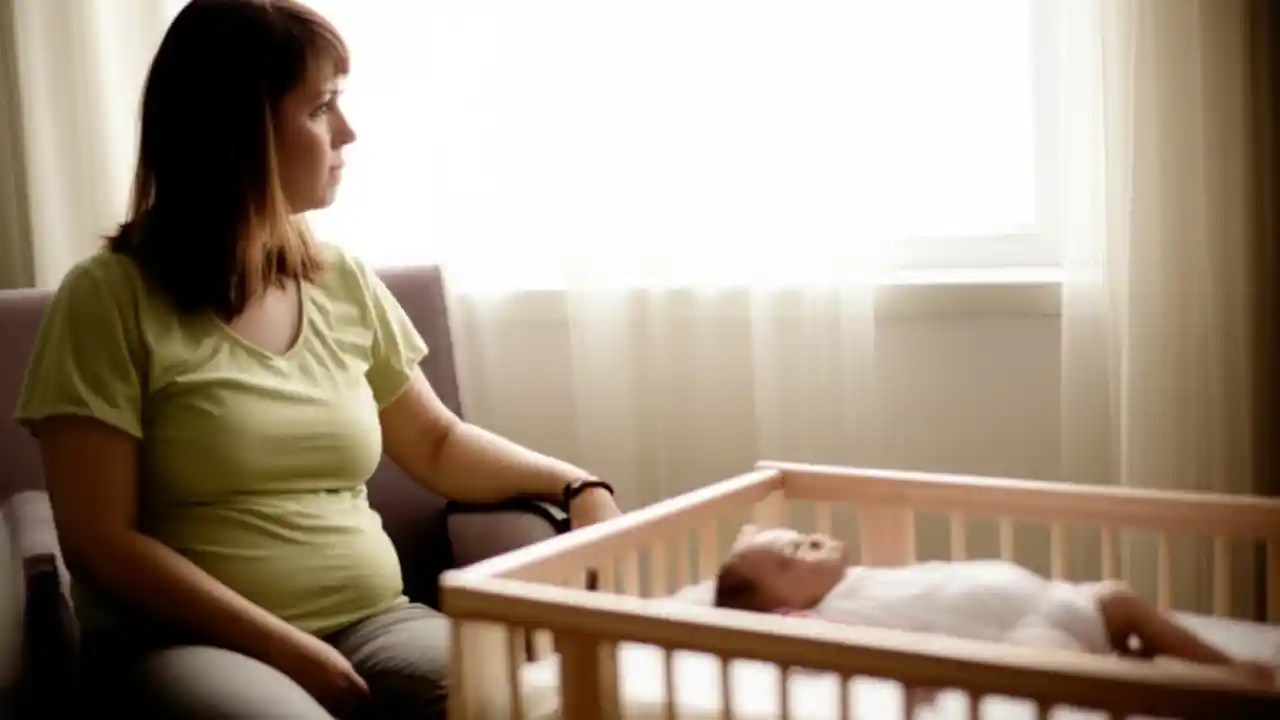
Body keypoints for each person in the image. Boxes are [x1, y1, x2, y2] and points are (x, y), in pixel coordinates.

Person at [12, 1, 622, 718]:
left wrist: (576, 484)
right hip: (188, 644)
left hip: (374, 622)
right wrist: (288, 649)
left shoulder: (342, 282)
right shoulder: (106, 300)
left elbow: (436, 442)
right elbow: (101, 541)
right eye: (321, 107)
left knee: (545, 703)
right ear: (240, 129)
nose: (347, 132)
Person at [714, 525, 1276, 687]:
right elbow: (794, 643)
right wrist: (763, 612)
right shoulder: (826, 620)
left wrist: (757, 540)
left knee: (1118, 597)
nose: (804, 545)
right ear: (784, 611)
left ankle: (1227, 672)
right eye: (787, 560)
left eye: (799, 537)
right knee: (1094, 675)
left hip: (1051, 603)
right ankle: (1183, 688)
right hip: (1018, 645)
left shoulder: (860, 577)